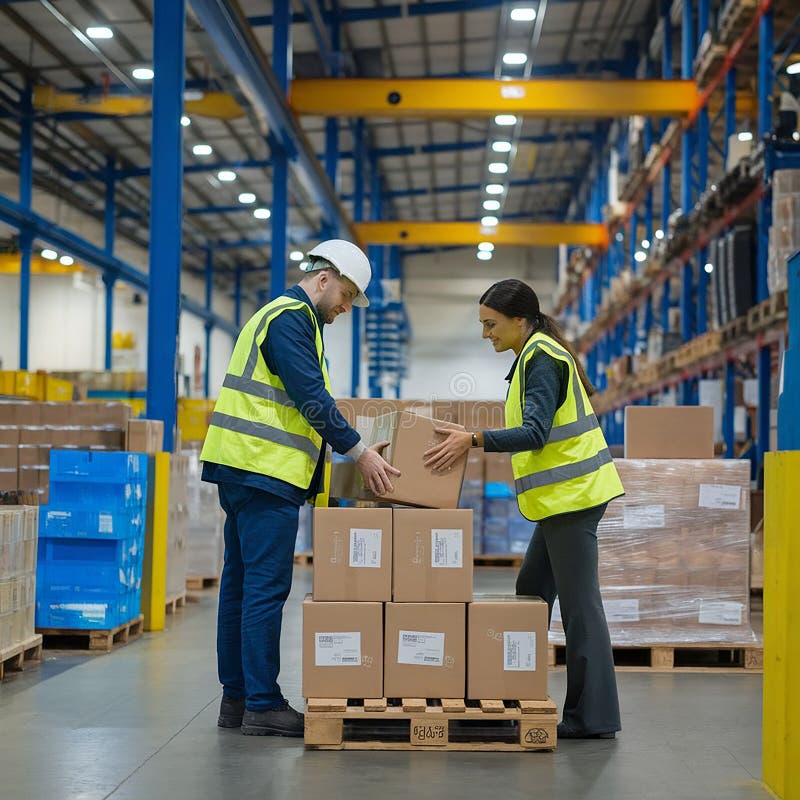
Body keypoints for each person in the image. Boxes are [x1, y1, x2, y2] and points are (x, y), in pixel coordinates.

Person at [200, 239, 400, 737]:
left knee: (241, 588)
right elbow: (310, 396)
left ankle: (238, 701)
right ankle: (263, 704)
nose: (346, 308)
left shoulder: (287, 318)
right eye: (347, 296)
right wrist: (360, 450)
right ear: (325, 278)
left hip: (244, 470)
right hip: (264, 473)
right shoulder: (291, 317)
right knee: (264, 590)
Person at [423, 278, 624, 739]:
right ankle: (513, 691)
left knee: (580, 609)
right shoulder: (531, 357)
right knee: (531, 590)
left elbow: (534, 432)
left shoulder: (541, 359)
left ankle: (592, 718)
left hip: (574, 499)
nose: (485, 334)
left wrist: (471, 440)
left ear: (520, 320)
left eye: (491, 324)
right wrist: (469, 432)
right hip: (559, 502)